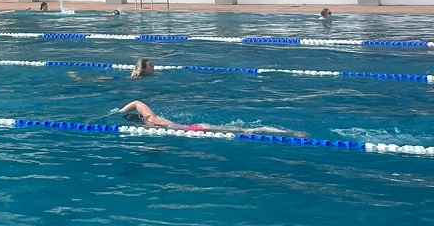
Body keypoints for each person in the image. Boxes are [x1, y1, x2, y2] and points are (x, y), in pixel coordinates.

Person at [118, 100, 308, 137]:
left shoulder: (153, 123)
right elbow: (136, 102)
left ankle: (289, 132)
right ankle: (287, 132)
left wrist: (119, 114)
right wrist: (120, 110)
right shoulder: (153, 119)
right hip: (196, 127)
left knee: (246, 131)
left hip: (197, 130)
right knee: (245, 130)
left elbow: (137, 103)